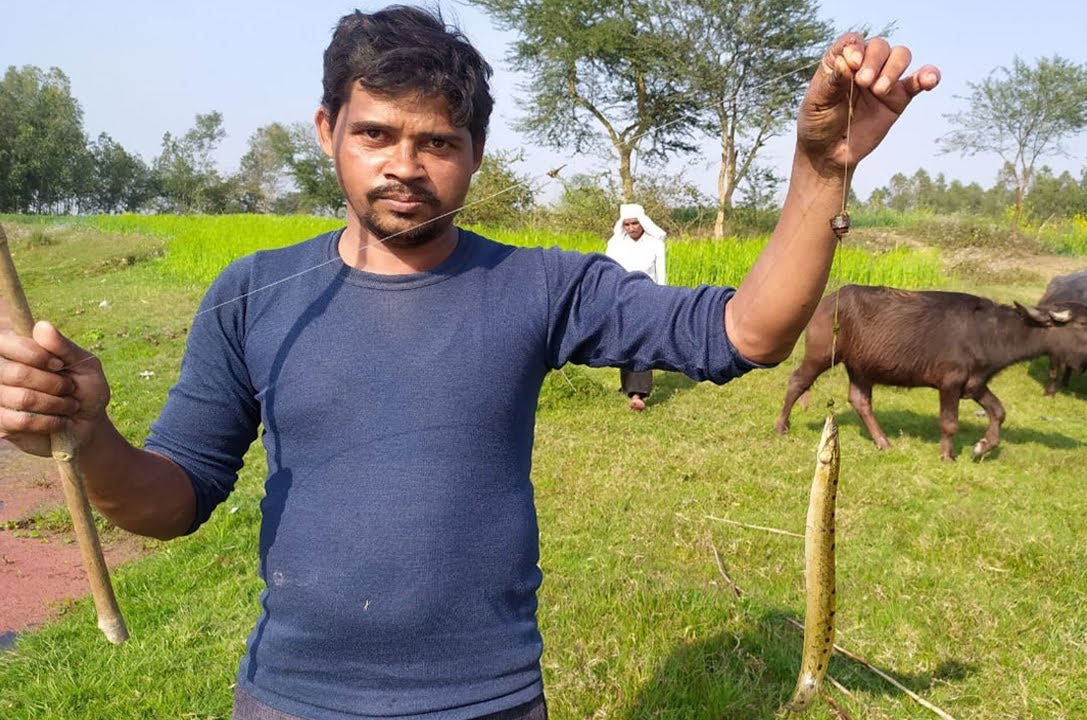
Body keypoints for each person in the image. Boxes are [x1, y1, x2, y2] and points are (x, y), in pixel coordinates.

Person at [0, 6, 938, 719]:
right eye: (375, 133)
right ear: (327, 130)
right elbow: (171, 503)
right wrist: (91, 435)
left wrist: (822, 170)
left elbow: (747, 333)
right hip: (293, 698)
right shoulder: (253, 294)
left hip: (487, 700)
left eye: (437, 142)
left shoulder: (539, 286)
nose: (404, 166)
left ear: (476, 154)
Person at [604, 203, 667, 411]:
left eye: (635, 223)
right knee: (625, 343)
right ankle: (627, 386)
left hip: (647, 298)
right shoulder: (615, 245)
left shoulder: (655, 244)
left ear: (643, 223)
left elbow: (661, 275)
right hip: (621, 298)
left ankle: (638, 393)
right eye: (627, 224)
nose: (632, 228)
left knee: (642, 344)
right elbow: (608, 273)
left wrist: (661, 300)